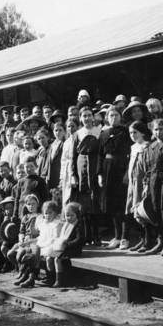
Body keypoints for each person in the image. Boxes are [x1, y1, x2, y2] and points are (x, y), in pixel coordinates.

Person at [97, 106, 133, 249]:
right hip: (107, 171)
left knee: (123, 204)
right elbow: (100, 155)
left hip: (121, 169)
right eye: (111, 115)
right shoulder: (103, 133)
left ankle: (125, 237)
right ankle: (117, 237)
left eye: (116, 115)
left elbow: (131, 154)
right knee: (112, 205)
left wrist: (127, 173)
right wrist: (100, 175)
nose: (114, 118)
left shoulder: (125, 132)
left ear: (120, 116)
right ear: (107, 117)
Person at [142, 119, 163, 256]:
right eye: (155, 129)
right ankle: (160, 241)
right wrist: (146, 185)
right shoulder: (151, 147)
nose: (158, 132)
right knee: (155, 210)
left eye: (161, 129)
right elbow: (148, 169)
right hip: (153, 182)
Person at [71, 107, 102, 244]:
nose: (87, 118)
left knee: (95, 201)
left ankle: (96, 235)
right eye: (84, 116)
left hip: (95, 166)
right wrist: (73, 174)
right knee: (84, 203)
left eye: (89, 115)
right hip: (81, 168)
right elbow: (73, 156)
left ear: (93, 117)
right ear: (81, 118)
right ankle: (86, 235)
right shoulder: (77, 134)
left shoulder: (99, 131)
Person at [125, 121, 150, 251]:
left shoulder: (147, 147)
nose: (132, 135)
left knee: (142, 210)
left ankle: (148, 239)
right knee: (135, 211)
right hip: (133, 182)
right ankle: (142, 238)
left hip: (142, 183)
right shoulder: (133, 147)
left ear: (143, 133)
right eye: (130, 133)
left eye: (135, 132)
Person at [49, 202, 85, 288]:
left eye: (72, 215)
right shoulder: (65, 224)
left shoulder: (78, 225)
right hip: (63, 247)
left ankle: (59, 280)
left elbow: (80, 240)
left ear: (77, 215)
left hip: (73, 249)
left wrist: (68, 245)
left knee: (57, 259)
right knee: (49, 257)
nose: (69, 217)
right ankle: (50, 278)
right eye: (67, 215)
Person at [59, 118, 79, 205]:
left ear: (78, 127)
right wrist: (62, 176)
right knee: (66, 194)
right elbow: (63, 160)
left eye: (73, 126)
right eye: (68, 126)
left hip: (75, 168)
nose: (71, 128)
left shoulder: (80, 139)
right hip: (66, 170)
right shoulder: (66, 142)